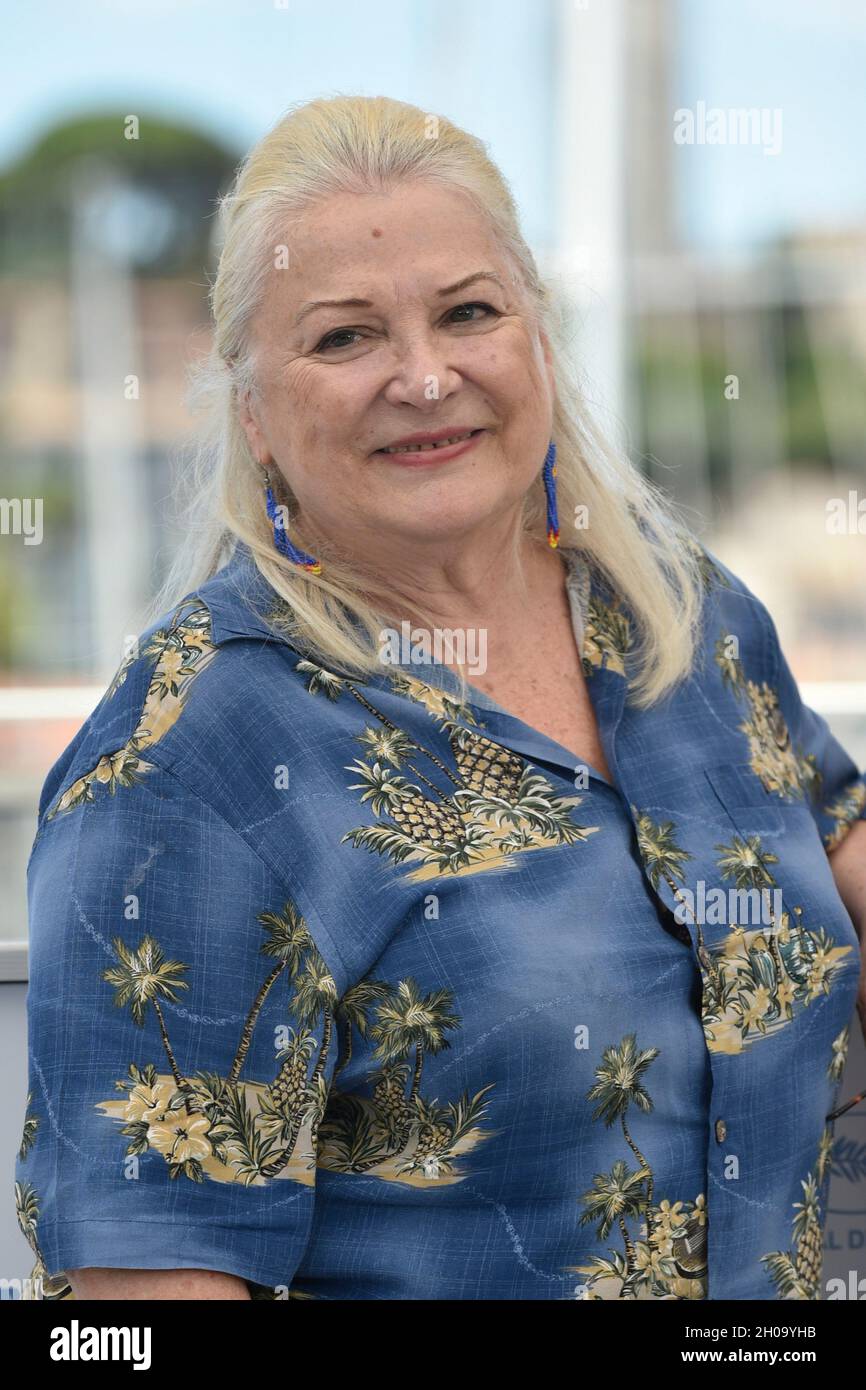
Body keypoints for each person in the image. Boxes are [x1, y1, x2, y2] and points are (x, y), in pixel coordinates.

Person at [14, 95, 866, 1302]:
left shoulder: (680, 613)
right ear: (252, 410)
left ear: (537, 340)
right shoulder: (187, 757)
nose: (424, 377)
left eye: (468, 312)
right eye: (344, 338)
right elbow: (143, 1303)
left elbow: (829, 836)